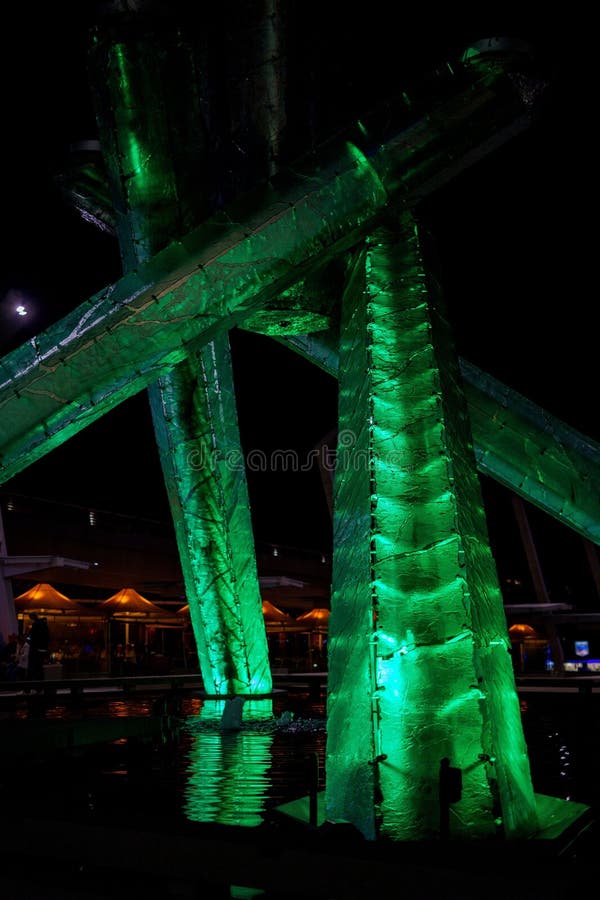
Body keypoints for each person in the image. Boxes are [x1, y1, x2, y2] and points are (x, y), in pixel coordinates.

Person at [27, 613, 50, 680]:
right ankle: (39, 686)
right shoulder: (45, 626)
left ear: (32, 618)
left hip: (35, 649)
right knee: (40, 667)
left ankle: (29, 687)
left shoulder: (35, 625)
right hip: (43, 649)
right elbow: (48, 637)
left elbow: (32, 637)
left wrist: (28, 639)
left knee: (32, 667)